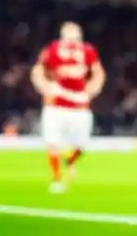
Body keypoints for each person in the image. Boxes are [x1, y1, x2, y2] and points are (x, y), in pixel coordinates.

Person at [31, 21, 105, 194]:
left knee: (82, 145)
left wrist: (93, 89)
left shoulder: (88, 51)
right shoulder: (52, 49)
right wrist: (44, 86)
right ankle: (56, 178)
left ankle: (70, 160)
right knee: (52, 143)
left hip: (79, 105)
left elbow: (98, 72)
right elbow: (38, 70)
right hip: (56, 104)